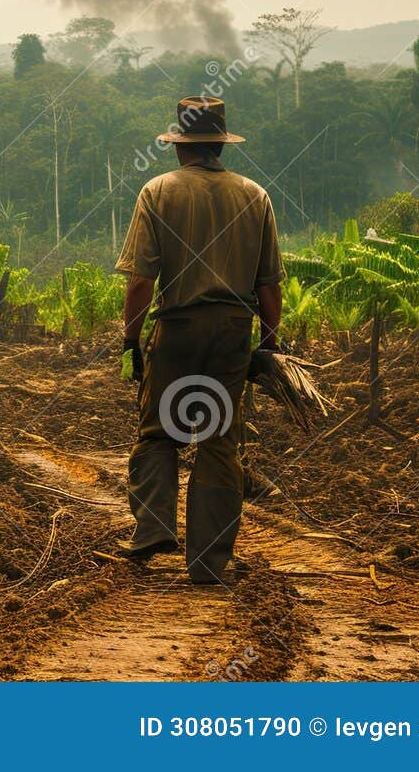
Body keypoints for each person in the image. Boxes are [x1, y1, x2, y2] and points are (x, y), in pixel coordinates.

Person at [114, 96, 284, 584]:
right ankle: (208, 561)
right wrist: (269, 346)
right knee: (218, 442)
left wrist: (131, 340)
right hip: (233, 332)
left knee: (157, 432)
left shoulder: (158, 192)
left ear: (178, 146)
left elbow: (142, 279)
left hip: (178, 328)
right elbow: (269, 285)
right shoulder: (255, 195)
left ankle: (153, 530)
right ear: (219, 145)